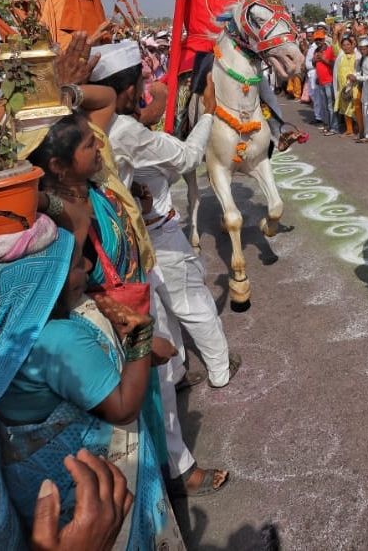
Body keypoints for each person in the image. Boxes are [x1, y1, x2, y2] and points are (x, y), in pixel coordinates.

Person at [0, 227, 185, 549]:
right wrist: (141, 341)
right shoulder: (57, 340)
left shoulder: (0, 328)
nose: (87, 266)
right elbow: (123, 409)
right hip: (86, 494)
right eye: (74, 264)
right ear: (47, 278)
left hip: (35, 488)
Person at [87, 43, 233, 494]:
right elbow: (187, 159)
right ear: (126, 90)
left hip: (114, 248)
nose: (146, 89)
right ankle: (178, 469)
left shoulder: (94, 124)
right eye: (141, 83)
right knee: (160, 345)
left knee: (163, 343)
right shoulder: (124, 128)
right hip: (128, 253)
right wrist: (209, 113)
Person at [152, 0, 245, 102]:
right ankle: (176, 127)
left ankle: (276, 126)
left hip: (231, 52)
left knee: (257, 92)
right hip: (195, 50)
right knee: (182, 94)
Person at [333, 35, 359, 137]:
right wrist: (336, 32)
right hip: (343, 88)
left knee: (354, 109)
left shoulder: (357, 56)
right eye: (344, 45)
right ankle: (349, 130)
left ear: (353, 45)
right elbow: (334, 44)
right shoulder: (341, 56)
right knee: (344, 109)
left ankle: (359, 130)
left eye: (348, 44)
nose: (346, 47)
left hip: (354, 87)